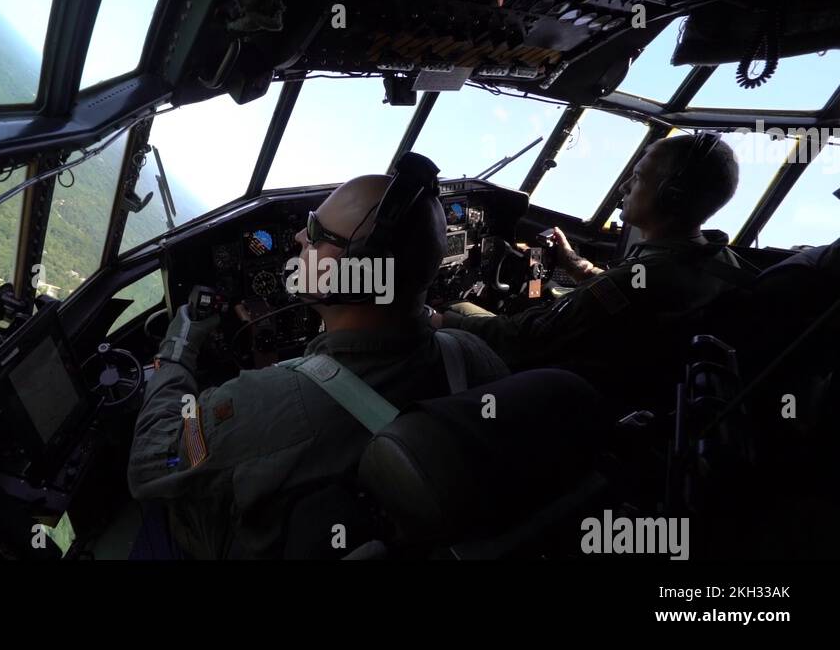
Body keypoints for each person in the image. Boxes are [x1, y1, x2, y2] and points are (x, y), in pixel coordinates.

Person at [128, 172, 507, 559]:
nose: (298, 238)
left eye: (315, 232)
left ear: (358, 273)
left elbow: (152, 464)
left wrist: (177, 349)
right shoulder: (470, 355)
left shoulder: (266, 404)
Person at [432, 133, 756, 411]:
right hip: (641, 395)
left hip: (577, 395)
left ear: (671, 196)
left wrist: (440, 319)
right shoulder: (723, 262)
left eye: (638, 177)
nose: (625, 187)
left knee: (456, 309)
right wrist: (579, 267)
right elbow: (630, 301)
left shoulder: (642, 278)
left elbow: (525, 340)